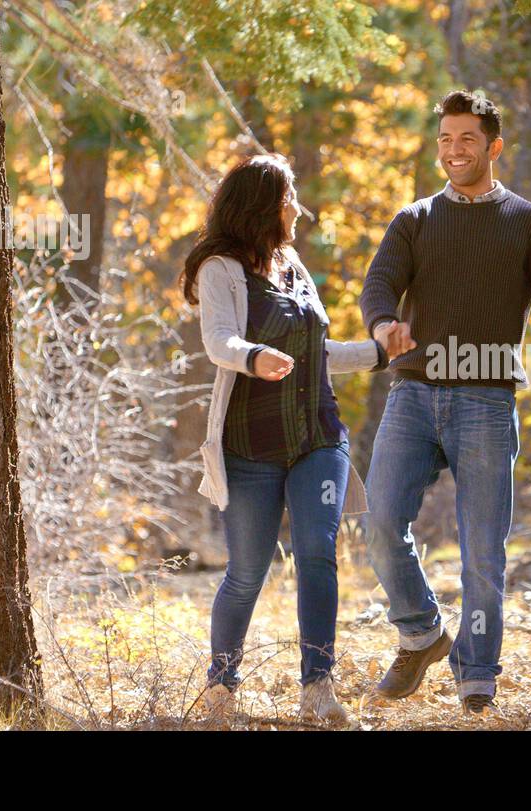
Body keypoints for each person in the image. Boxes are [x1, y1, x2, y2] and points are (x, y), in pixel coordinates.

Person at [359, 90, 531, 716]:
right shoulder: (415, 219)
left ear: (494, 147)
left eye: (466, 139)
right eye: (445, 139)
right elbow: (379, 284)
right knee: (380, 523)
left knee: (483, 551)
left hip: (486, 398)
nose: (454, 150)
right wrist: (383, 324)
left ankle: (477, 670)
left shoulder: (528, 222)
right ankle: (421, 633)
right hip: (413, 392)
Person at [182, 152, 388, 726]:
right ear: (263, 206)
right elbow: (219, 341)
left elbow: (316, 352)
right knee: (247, 572)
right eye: (289, 197)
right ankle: (221, 688)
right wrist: (254, 357)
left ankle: (317, 688)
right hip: (249, 446)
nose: (298, 207)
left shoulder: (293, 265)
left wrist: (378, 354)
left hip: (317, 436)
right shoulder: (220, 269)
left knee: (318, 553)